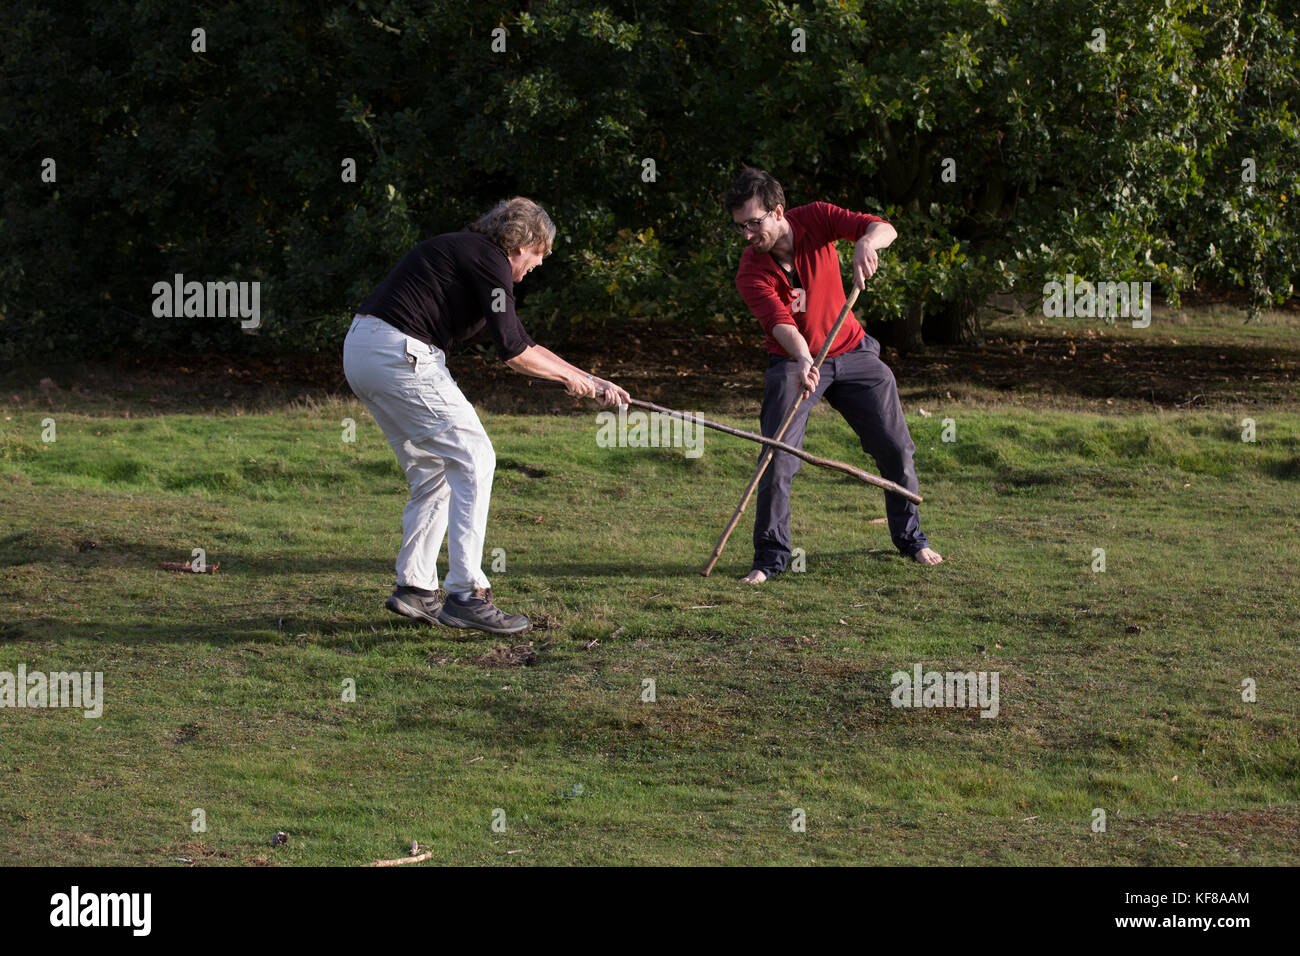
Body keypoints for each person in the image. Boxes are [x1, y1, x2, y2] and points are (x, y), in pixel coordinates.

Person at [343, 197, 630, 633]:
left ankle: (416, 589)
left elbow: (520, 339)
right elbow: (513, 351)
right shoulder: (489, 258)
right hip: (401, 353)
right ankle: (467, 594)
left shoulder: (467, 253)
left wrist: (589, 380)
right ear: (521, 244)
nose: (536, 266)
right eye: (538, 256)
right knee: (476, 458)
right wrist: (581, 381)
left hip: (364, 350)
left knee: (435, 471)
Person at [724, 167, 943, 583]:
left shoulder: (818, 217)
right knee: (777, 455)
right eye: (741, 227)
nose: (748, 235)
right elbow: (779, 322)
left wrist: (865, 243)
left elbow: (884, 228)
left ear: (778, 212)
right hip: (793, 360)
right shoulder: (750, 270)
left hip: (854, 350)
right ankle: (770, 557)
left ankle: (912, 539)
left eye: (754, 223)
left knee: (895, 446)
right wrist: (805, 359)